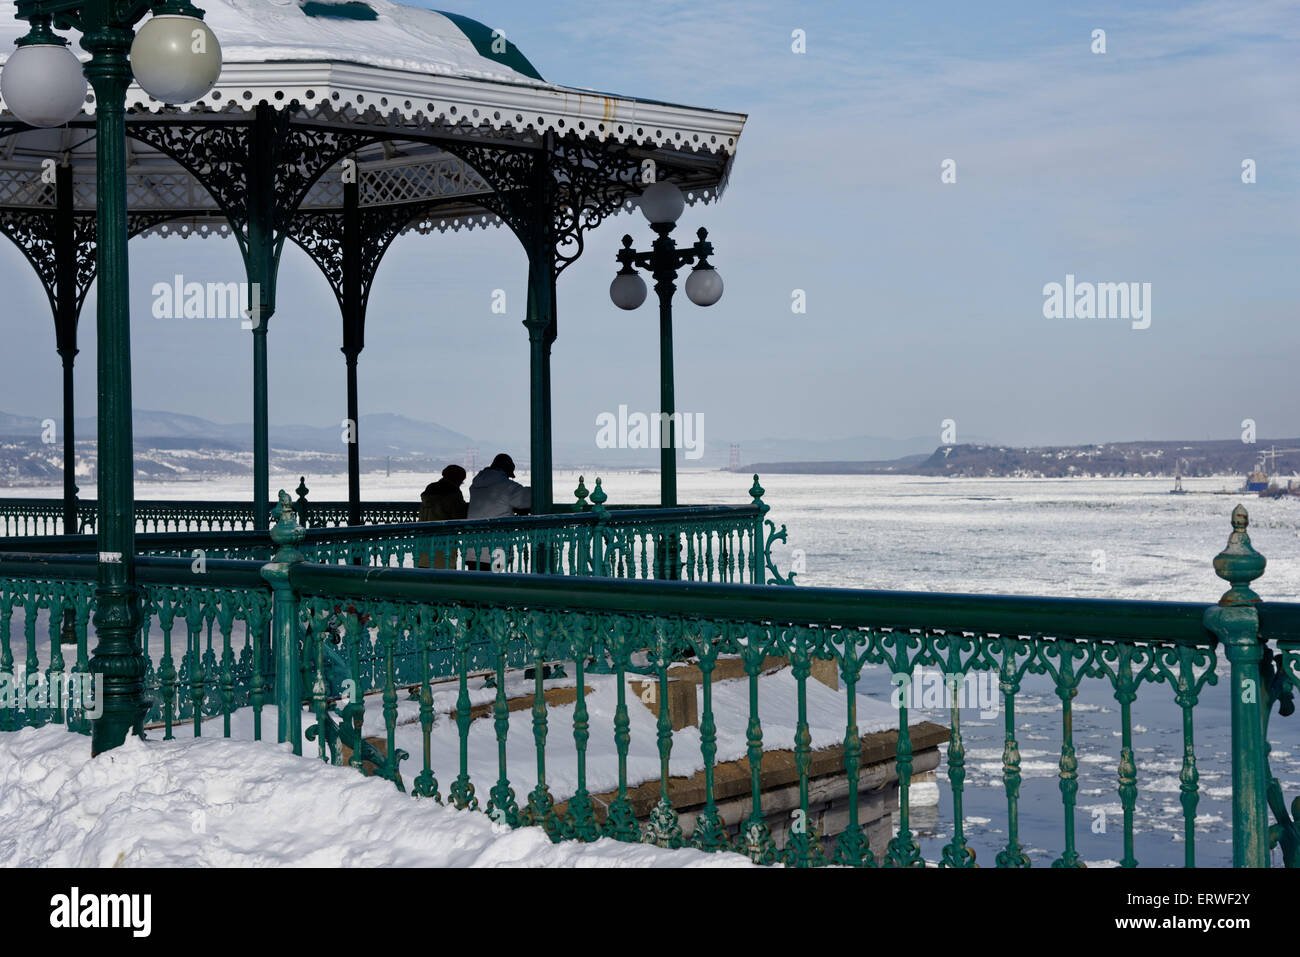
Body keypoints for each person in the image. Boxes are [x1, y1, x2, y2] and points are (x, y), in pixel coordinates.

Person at [466, 453, 531, 570]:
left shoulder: (475, 485)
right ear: (505, 471)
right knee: (496, 579)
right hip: (497, 547)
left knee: (476, 582)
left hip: (473, 547)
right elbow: (527, 499)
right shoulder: (506, 486)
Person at [416, 464, 467, 569]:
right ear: (457, 480)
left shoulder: (429, 491)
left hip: (423, 542)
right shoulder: (453, 493)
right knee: (445, 578)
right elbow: (459, 516)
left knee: (424, 575)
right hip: (443, 545)